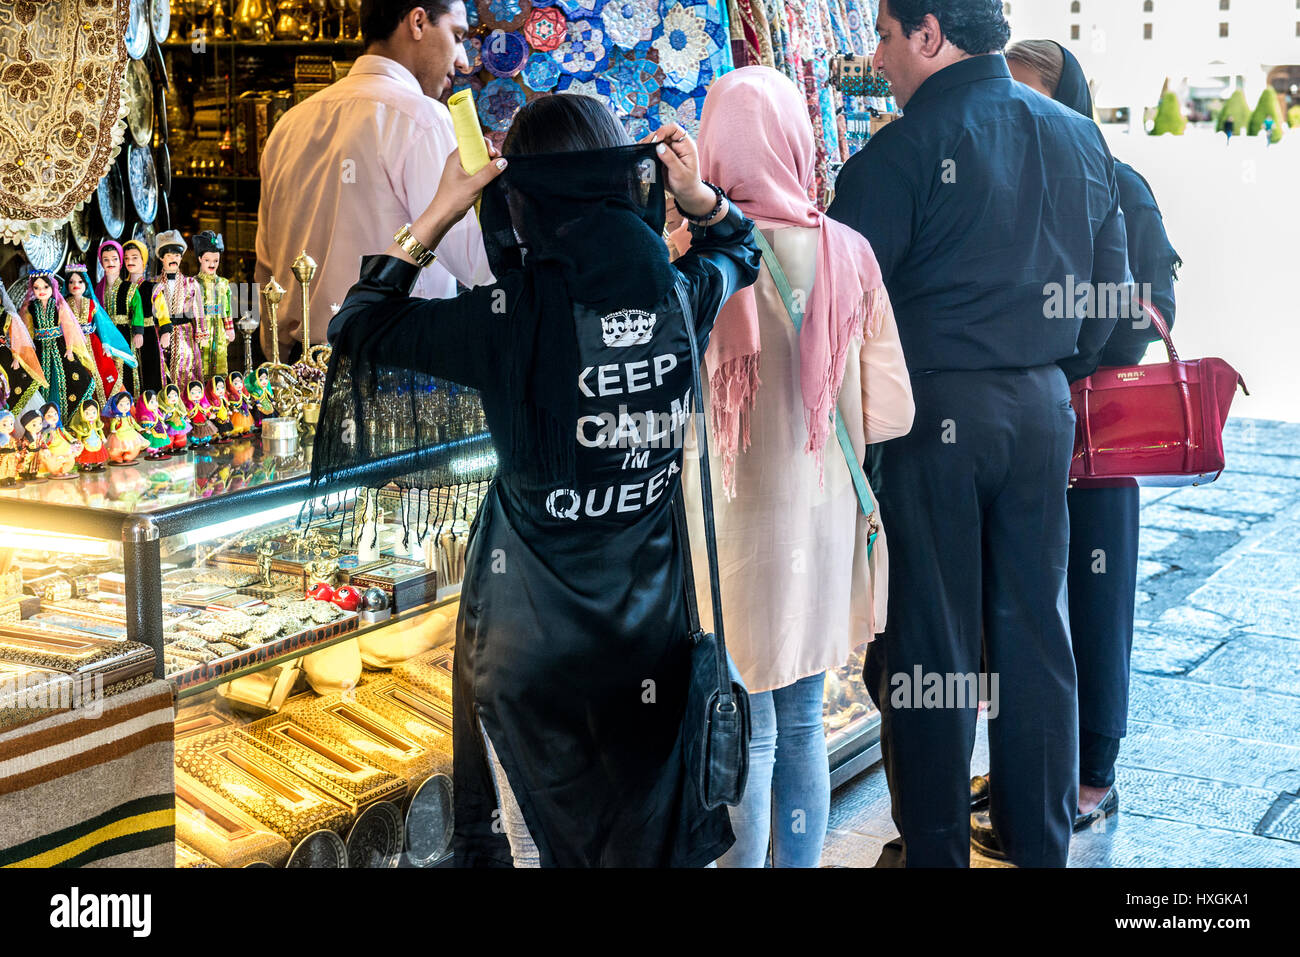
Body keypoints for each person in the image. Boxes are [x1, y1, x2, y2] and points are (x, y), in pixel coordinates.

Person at [312, 93, 761, 867]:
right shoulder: (678, 297)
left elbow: (356, 321)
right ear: (624, 182)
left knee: (540, 849)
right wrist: (698, 199)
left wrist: (442, 209)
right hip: (648, 640)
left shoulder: (502, 315)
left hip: (529, 654)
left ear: (519, 200)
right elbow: (742, 249)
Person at [825, 0, 1127, 868]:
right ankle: (1039, 848)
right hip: (1041, 410)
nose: (878, 58)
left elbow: (845, 307)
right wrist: (1047, 375)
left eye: (885, 36)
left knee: (935, 647)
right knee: (1037, 636)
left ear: (929, 34)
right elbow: (1110, 299)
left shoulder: (901, 148)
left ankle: (937, 853)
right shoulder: (1077, 136)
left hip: (933, 416)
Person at [673, 66, 915, 868]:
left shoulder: (682, 253)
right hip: (817, 516)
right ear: (798, 141)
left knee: (741, 719)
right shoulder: (849, 253)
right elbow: (894, 411)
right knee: (802, 717)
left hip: (722, 526)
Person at [967, 38, 1183, 854]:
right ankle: (1031, 769)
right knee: (1017, 615)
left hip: (1093, 442)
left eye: (1035, 98)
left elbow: (1148, 306)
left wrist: (1059, 364)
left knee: (1092, 610)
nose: (1019, 116)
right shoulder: (1004, 181)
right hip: (1019, 435)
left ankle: (1092, 777)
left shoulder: (1120, 183)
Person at [255, 0, 493, 362]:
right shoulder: (423, 120)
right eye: (457, 35)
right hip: (391, 369)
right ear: (417, 22)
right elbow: (477, 267)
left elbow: (266, 271)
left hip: (296, 371)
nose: (463, 61)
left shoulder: (289, 125)